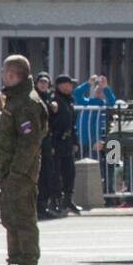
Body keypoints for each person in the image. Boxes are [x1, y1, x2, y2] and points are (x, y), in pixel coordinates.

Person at [0, 55, 49, 265]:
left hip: (21, 174)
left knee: (23, 219)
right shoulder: (15, 100)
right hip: (10, 172)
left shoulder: (27, 103)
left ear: (14, 75)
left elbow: (29, 143)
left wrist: (16, 172)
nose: (3, 76)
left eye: (6, 72)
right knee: (11, 220)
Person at [49, 75, 81, 214]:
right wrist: (51, 144)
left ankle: (67, 200)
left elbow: (71, 124)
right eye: (68, 84)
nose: (71, 87)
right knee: (55, 173)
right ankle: (54, 201)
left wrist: (75, 141)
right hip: (56, 140)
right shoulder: (54, 100)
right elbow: (50, 123)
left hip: (67, 141)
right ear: (61, 85)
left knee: (70, 172)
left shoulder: (69, 101)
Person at [34, 73, 60, 219]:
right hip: (35, 140)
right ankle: (36, 207)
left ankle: (43, 206)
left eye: (46, 82)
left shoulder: (50, 98)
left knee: (47, 174)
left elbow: (54, 120)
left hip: (46, 140)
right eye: (41, 82)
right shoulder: (33, 98)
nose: (43, 85)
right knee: (37, 175)